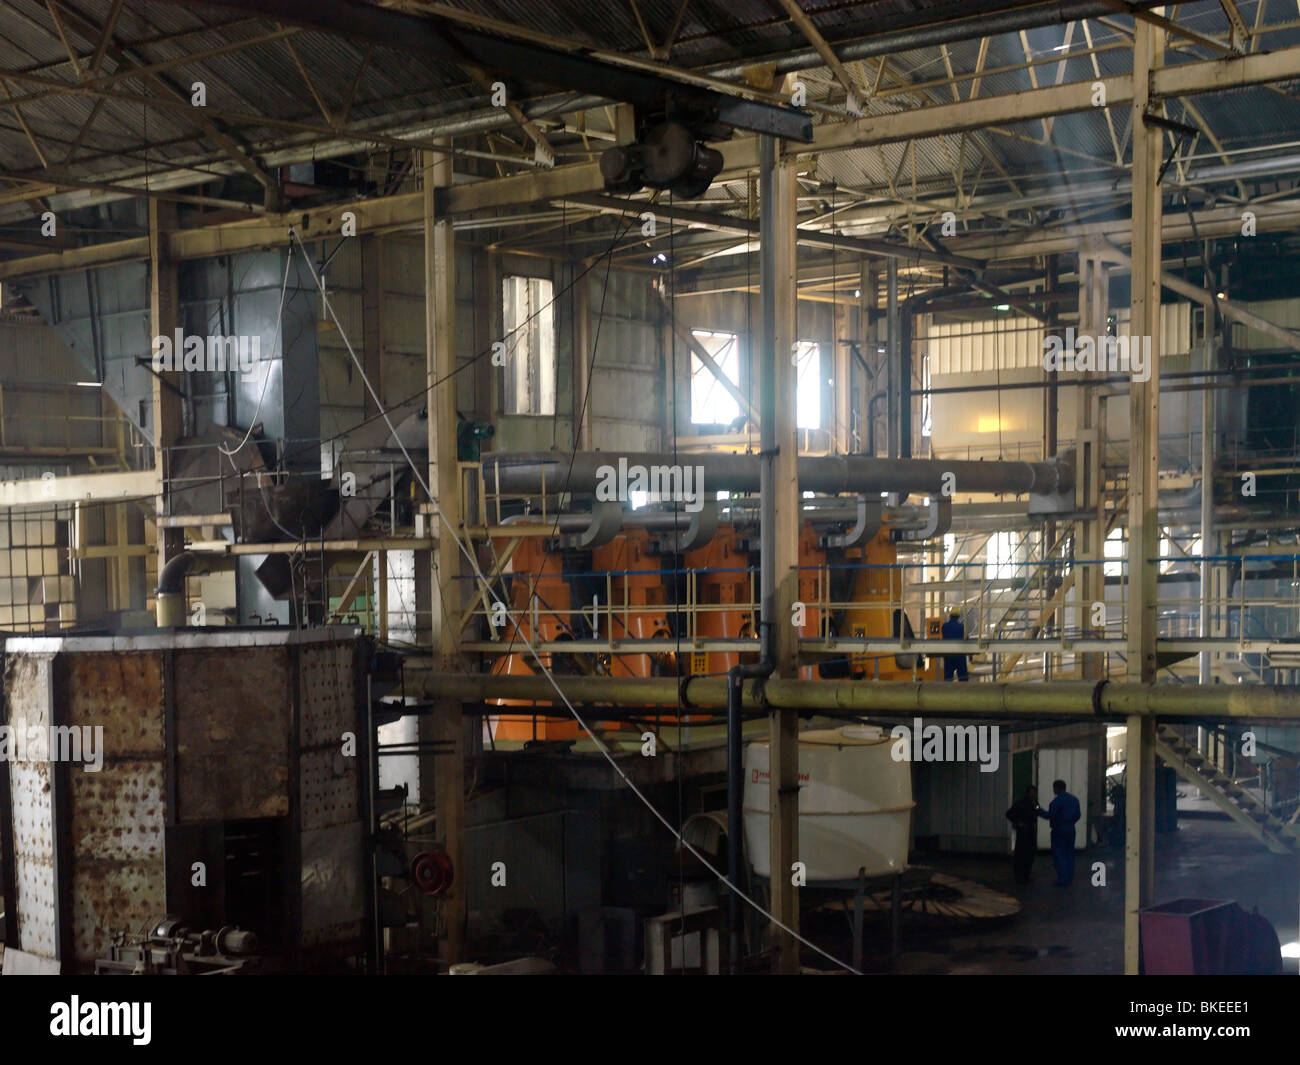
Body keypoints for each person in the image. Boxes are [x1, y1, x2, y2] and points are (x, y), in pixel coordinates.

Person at [1038, 779, 1082, 885]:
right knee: (1069, 854)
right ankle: (1069, 878)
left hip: (1058, 830)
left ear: (1056, 788)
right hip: (1071, 829)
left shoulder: (1056, 801)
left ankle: (1062, 879)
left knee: (1059, 854)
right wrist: (1071, 822)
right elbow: (1078, 815)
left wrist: (1038, 809)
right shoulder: (1074, 799)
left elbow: (1050, 815)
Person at [1005, 785, 1039, 884]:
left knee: (1028, 853)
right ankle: (1021, 875)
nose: (1033, 795)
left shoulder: (1033, 802)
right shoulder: (1021, 803)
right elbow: (1009, 813)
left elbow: (1037, 809)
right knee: (1022, 853)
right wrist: (1018, 822)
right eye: (1032, 793)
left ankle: (1024, 875)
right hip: (1024, 830)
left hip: (1028, 829)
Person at [940, 607, 969, 681]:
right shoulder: (962, 627)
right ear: (958, 617)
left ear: (950, 616)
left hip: (948, 655)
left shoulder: (944, 627)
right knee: (963, 678)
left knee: (948, 678)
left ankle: (947, 691)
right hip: (959, 654)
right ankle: (964, 691)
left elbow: (943, 638)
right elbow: (966, 639)